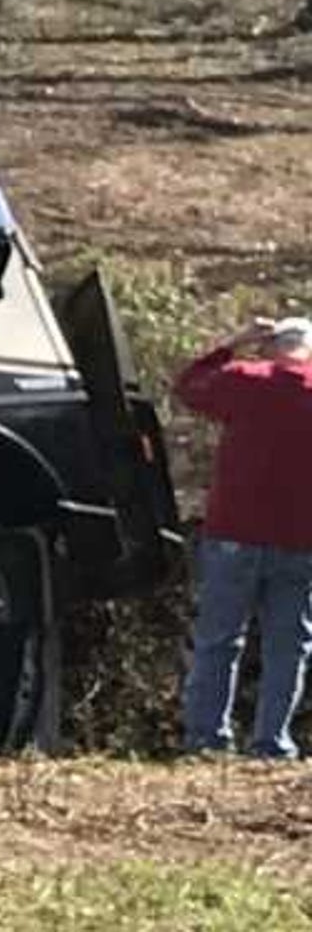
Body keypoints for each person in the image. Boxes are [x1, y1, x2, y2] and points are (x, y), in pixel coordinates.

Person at [173, 315, 312, 759]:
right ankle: (272, 742)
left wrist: (233, 343)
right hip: (301, 539)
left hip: (235, 534)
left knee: (219, 639)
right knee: (287, 646)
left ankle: (206, 739)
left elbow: (189, 384)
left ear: (273, 346)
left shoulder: (245, 380)